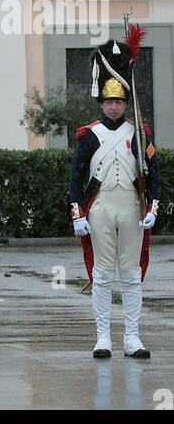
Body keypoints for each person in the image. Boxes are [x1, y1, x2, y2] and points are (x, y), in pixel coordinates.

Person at [69, 29, 161, 359]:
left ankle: (132, 337)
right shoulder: (88, 135)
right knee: (103, 274)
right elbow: (76, 179)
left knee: (132, 275)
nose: (114, 106)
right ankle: (103, 337)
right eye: (109, 102)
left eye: (119, 101)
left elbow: (155, 175)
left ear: (125, 103)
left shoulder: (140, 132)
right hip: (101, 207)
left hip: (131, 207)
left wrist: (153, 206)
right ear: (102, 103)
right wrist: (77, 213)